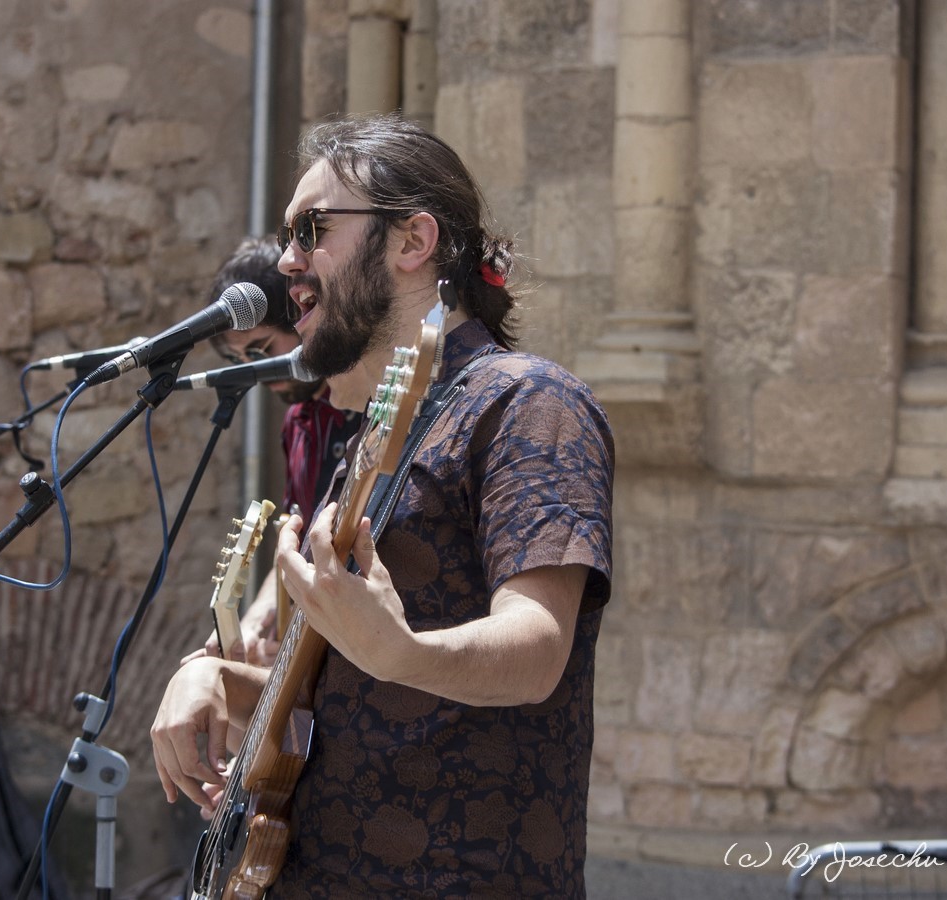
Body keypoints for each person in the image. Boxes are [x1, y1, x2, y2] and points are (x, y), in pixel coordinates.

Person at [152, 113, 614, 898]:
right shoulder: (372, 438)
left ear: (411, 241)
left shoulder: (529, 401)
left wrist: (403, 651)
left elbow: (537, 649)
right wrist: (210, 681)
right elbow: (337, 690)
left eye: (312, 228)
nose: (289, 260)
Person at [197, 237, 361, 664]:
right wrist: (249, 629)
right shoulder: (298, 423)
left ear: (300, 317)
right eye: (241, 361)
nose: (255, 371)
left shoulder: (370, 400)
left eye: (261, 349)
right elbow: (296, 545)